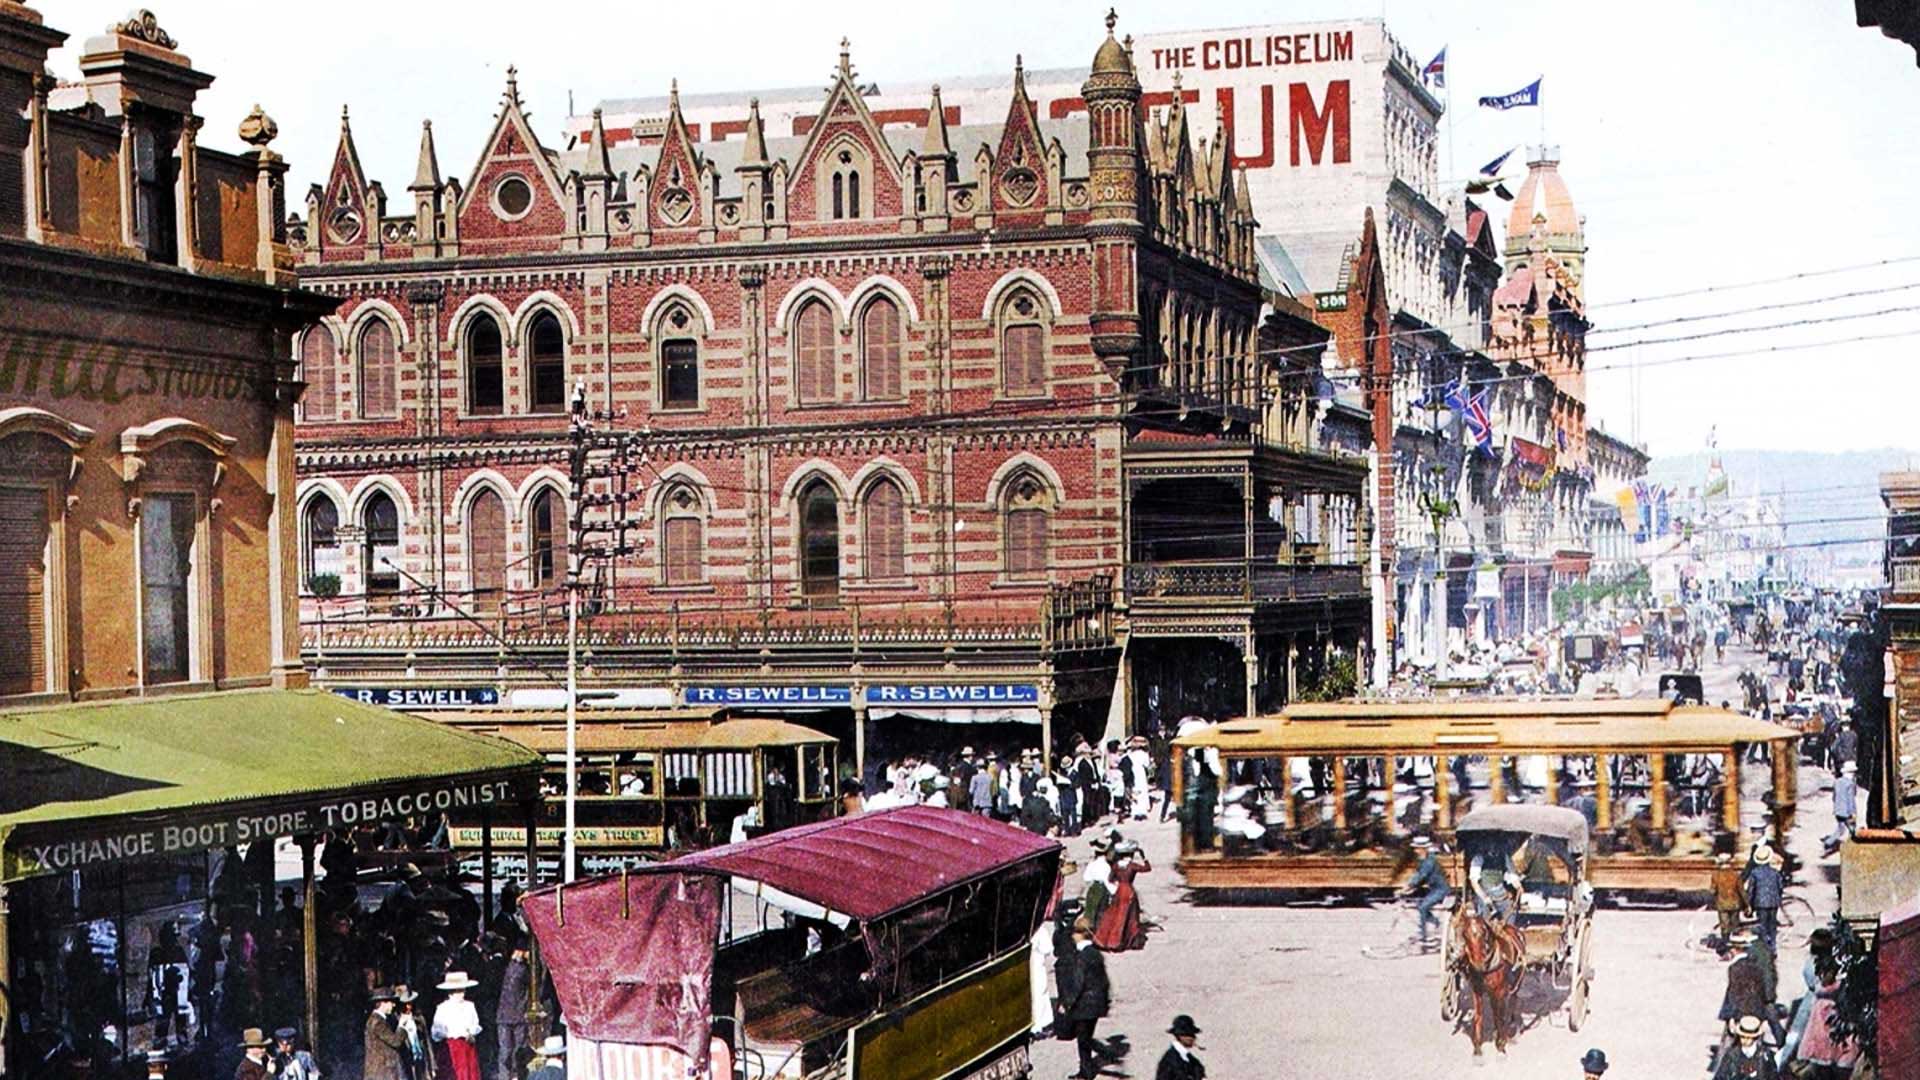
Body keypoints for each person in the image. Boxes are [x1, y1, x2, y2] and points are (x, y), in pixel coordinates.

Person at [1056, 919, 1111, 1080]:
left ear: (1079, 934)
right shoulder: (1096, 954)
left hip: (1084, 1006)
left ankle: (1085, 1073)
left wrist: (1067, 1003)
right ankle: (1088, 1067)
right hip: (1096, 1004)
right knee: (1087, 1036)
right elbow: (1104, 981)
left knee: (1083, 1041)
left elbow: (1078, 983)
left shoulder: (1081, 957)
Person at [1093, 840, 1150, 951]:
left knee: (1115, 914)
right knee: (1131, 916)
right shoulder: (1132, 865)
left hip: (1119, 891)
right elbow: (1147, 868)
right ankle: (1127, 940)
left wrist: (1118, 883)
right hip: (1128, 890)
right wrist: (1144, 857)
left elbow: (1111, 879)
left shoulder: (1116, 865)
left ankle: (1108, 940)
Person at [431, 971, 484, 1080]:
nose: (461, 994)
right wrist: (450, 1034)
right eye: (457, 991)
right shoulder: (443, 1008)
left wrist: (470, 1033)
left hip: (468, 1045)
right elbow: (436, 1031)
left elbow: (475, 1023)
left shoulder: (469, 1006)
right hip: (452, 1048)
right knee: (456, 1073)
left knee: (470, 1073)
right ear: (450, 992)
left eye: (463, 990)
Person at [1404, 836, 1451, 950]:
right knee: (1420, 906)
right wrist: (1411, 888)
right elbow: (1421, 877)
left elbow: (1421, 875)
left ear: (1423, 849)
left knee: (1423, 907)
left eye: (1417, 848)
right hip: (1434, 889)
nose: (1415, 851)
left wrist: (1409, 885)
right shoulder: (1423, 860)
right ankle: (1434, 924)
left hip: (1441, 890)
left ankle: (1425, 935)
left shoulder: (1429, 861)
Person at [494, 948, 530, 1080]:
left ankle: (506, 1076)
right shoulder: (521, 970)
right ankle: (515, 1075)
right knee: (516, 1049)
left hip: (506, 1015)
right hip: (516, 1015)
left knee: (506, 1050)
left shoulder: (506, 967)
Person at [1743, 843, 1784, 952]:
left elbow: (1751, 889)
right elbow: (1780, 887)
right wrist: (1778, 898)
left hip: (1760, 903)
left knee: (1763, 926)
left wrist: (1749, 904)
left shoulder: (1755, 873)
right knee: (1772, 925)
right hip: (1773, 902)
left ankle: (1765, 947)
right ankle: (1773, 947)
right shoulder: (1775, 872)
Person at [1713, 1016, 1778, 1079]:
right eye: (1742, 1037)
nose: (1745, 1040)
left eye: (1749, 1037)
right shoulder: (1731, 1055)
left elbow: (1774, 1076)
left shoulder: (1765, 1055)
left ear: (1755, 1038)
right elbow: (1720, 1077)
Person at [365, 989, 409, 1080]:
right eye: (391, 1002)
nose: (394, 1005)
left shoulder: (379, 1019)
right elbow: (395, 1042)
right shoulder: (377, 1022)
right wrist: (402, 1026)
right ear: (383, 1003)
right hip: (383, 1073)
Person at [1155, 1015, 1205, 1080]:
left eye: (1193, 1034)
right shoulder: (1170, 1060)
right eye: (1189, 1035)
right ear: (1180, 1036)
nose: (1193, 1038)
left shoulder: (1190, 1058)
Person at [1712, 853, 1743, 957]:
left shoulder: (1716, 875)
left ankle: (1725, 947)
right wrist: (1747, 904)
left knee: (1724, 926)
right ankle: (1735, 947)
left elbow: (1713, 890)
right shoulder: (1736, 875)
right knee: (1735, 925)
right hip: (1735, 904)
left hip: (1722, 904)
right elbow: (1741, 891)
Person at [1824, 761, 1858, 855]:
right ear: (1851, 773)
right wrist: (1853, 812)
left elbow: (1834, 797)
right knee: (1852, 828)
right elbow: (1850, 800)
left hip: (1838, 810)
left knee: (1841, 829)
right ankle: (1853, 845)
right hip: (1847, 812)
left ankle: (1828, 842)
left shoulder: (1837, 782)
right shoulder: (1850, 784)